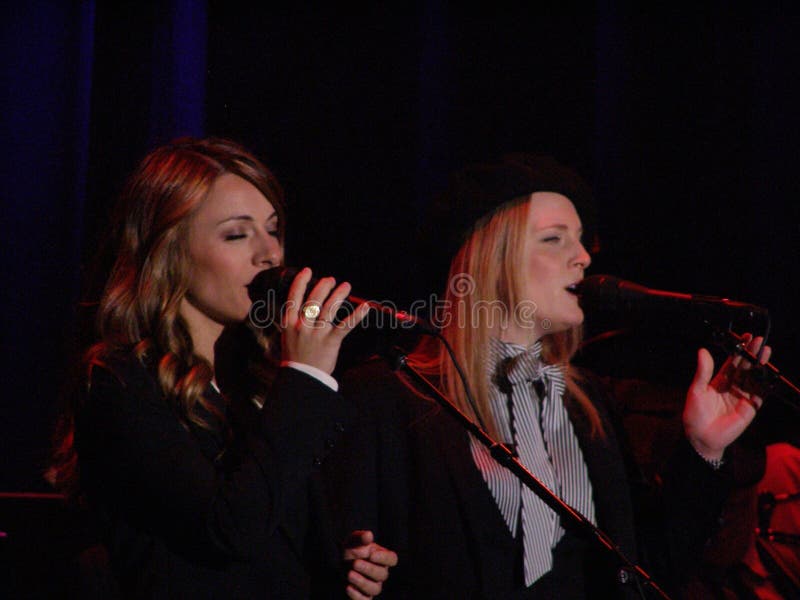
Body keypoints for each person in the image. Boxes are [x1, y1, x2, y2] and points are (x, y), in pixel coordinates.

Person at [329, 154, 772, 598]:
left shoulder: (586, 402)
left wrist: (702, 450)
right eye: (554, 239)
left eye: (580, 242)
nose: (582, 258)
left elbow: (648, 573)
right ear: (491, 256)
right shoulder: (388, 396)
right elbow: (346, 558)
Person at [49, 137, 397, 598]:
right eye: (237, 234)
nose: (270, 254)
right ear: (169, 252)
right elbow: (227, 528)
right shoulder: (120, 381)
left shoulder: (256, 380)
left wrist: (339, 566)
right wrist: (306, 378)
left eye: (273, 230)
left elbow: (270, 536)